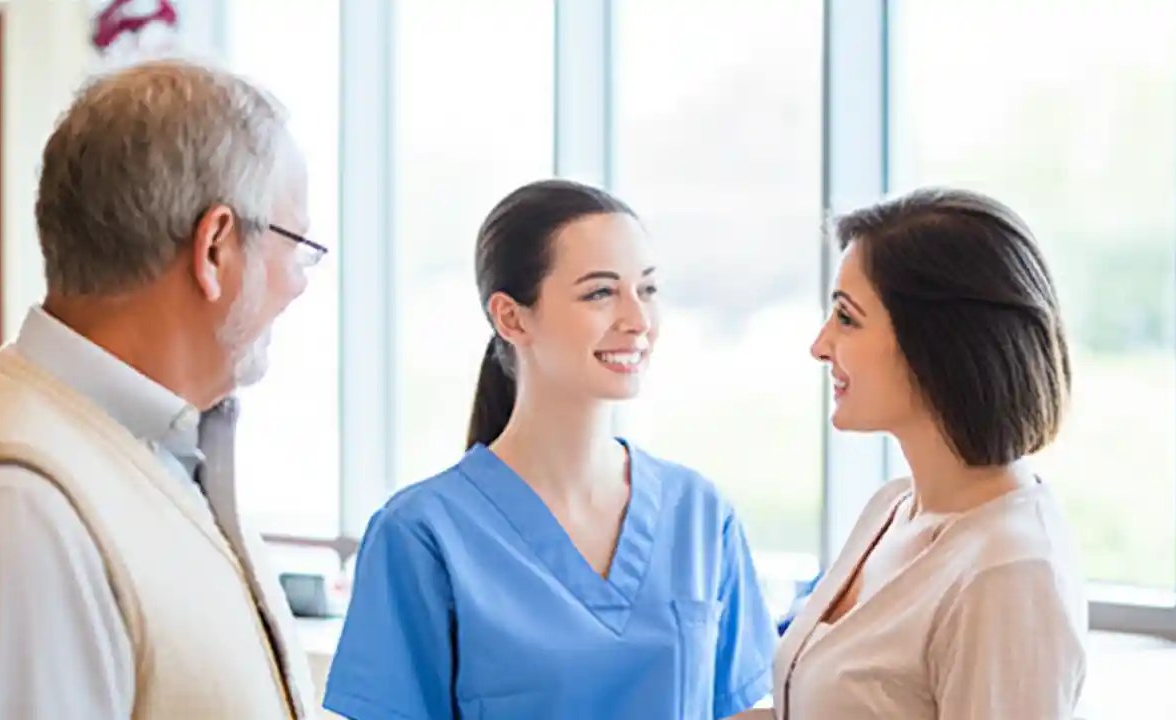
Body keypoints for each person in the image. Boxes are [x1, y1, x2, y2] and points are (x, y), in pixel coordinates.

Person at [324, 179, 777, 720]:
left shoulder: (701, 516)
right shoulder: (422, 534)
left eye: (648, 290)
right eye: (600, 293)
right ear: (511, 317)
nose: (638, 321)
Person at [0, 60, 325, 719]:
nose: (300, 283)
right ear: (215, 247)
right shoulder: (21, 507)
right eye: (296, 245)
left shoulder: (156, 452)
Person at [760, 188, 1087, 719]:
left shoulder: (1008, 569)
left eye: (847, 318)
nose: (820, 345)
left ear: (937, 344)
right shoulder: (894, 508)